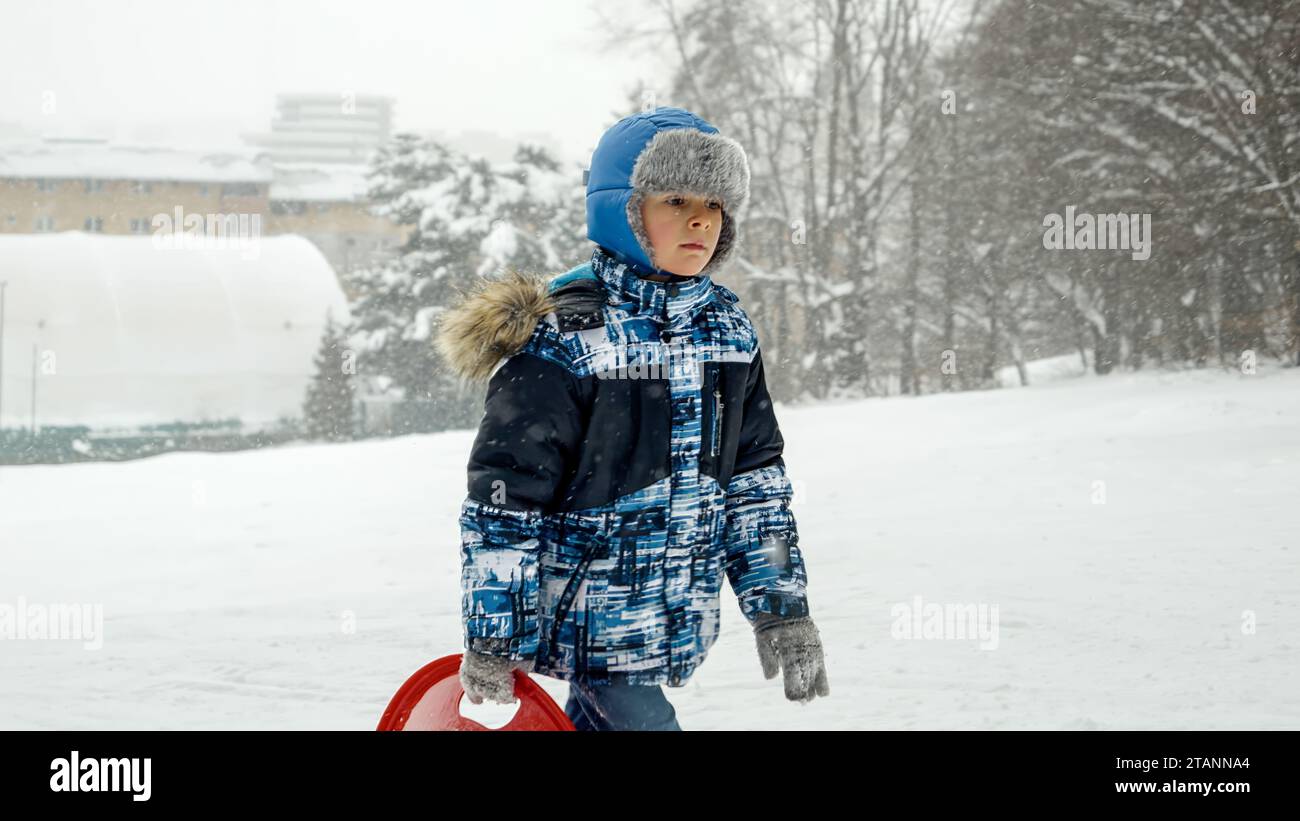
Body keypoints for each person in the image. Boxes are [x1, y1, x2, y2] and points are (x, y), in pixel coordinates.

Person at [437, 106, 829, 731]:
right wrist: (495, 633)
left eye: (715, 203)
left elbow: (754, 484)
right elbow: (504, 501)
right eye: (675, 198)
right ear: (623, 209)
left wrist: (781, 609)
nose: (700, 218)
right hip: (587, 613)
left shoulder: (726, 329)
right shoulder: (567, 337)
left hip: (676, 611)